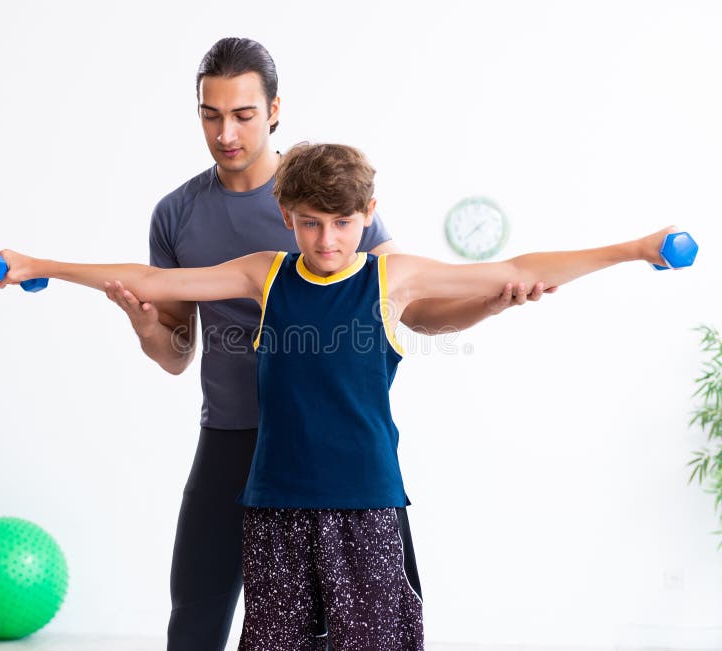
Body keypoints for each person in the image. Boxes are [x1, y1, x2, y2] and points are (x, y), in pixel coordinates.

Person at [0, 142, 679, 651]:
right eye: (311, 223)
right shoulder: (265, 274)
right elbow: (156, 278)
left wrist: (635, 248)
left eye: (344, 223)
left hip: (366, 503)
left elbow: (518, 267)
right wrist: (43, 268)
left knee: (378, 639)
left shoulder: (391, 276)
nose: (328, 240)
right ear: (286, 216)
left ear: (368, 215)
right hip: (275, 506)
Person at [101, 37, 554, 651]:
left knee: (348, 626)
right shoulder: (177, 214)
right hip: (232, 434)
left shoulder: (327, 200)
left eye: (243, 115)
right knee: (198, 613)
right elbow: (176, 354)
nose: (226, 132)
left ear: (275, 110)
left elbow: (409, 315)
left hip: (332, 448)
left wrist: (487, 304)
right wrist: (144, 321)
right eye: (211, 115)